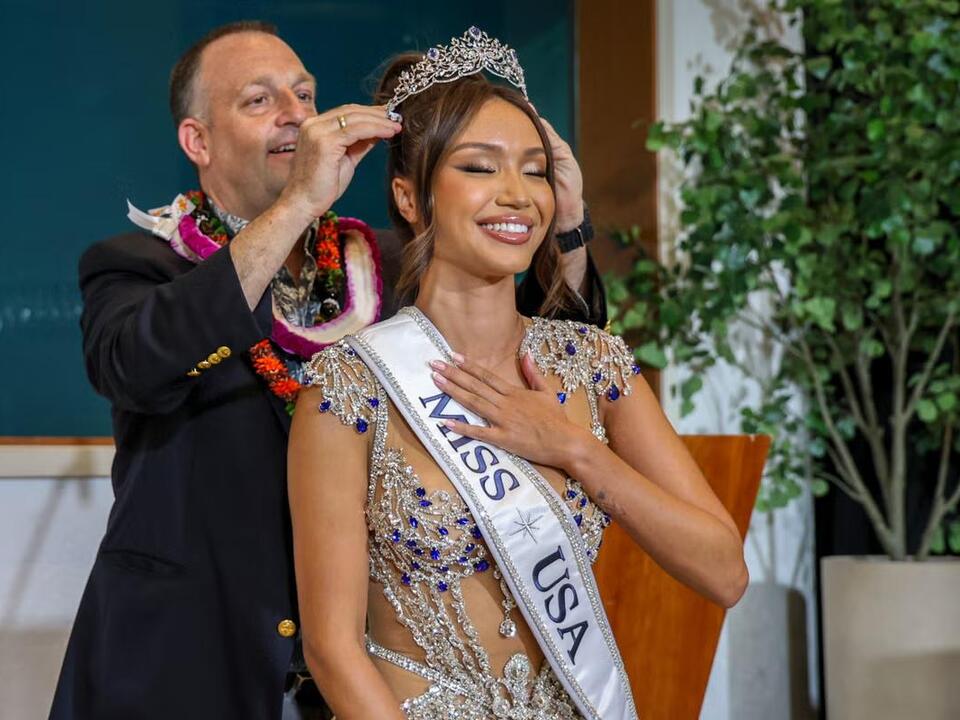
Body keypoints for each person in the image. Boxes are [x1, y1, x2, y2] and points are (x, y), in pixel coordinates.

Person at [50, 20, 605, 720]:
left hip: (356, 667)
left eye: (304, 94)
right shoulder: (137, 263)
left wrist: (571, 220)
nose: (294, 114)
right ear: (198, 141)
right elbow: (133, 366)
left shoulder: (384, 266)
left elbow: (563, 361)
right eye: (259, 101)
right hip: (186, 659)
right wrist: (297, 204)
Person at [288, 28, 749, 720]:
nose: (515, 195)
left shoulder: (595, 366)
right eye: (479, 168)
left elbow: (724, 571)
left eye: (534, 170)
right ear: (411, 198)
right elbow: (331, 649)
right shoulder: (349, 387)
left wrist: (574, 449)